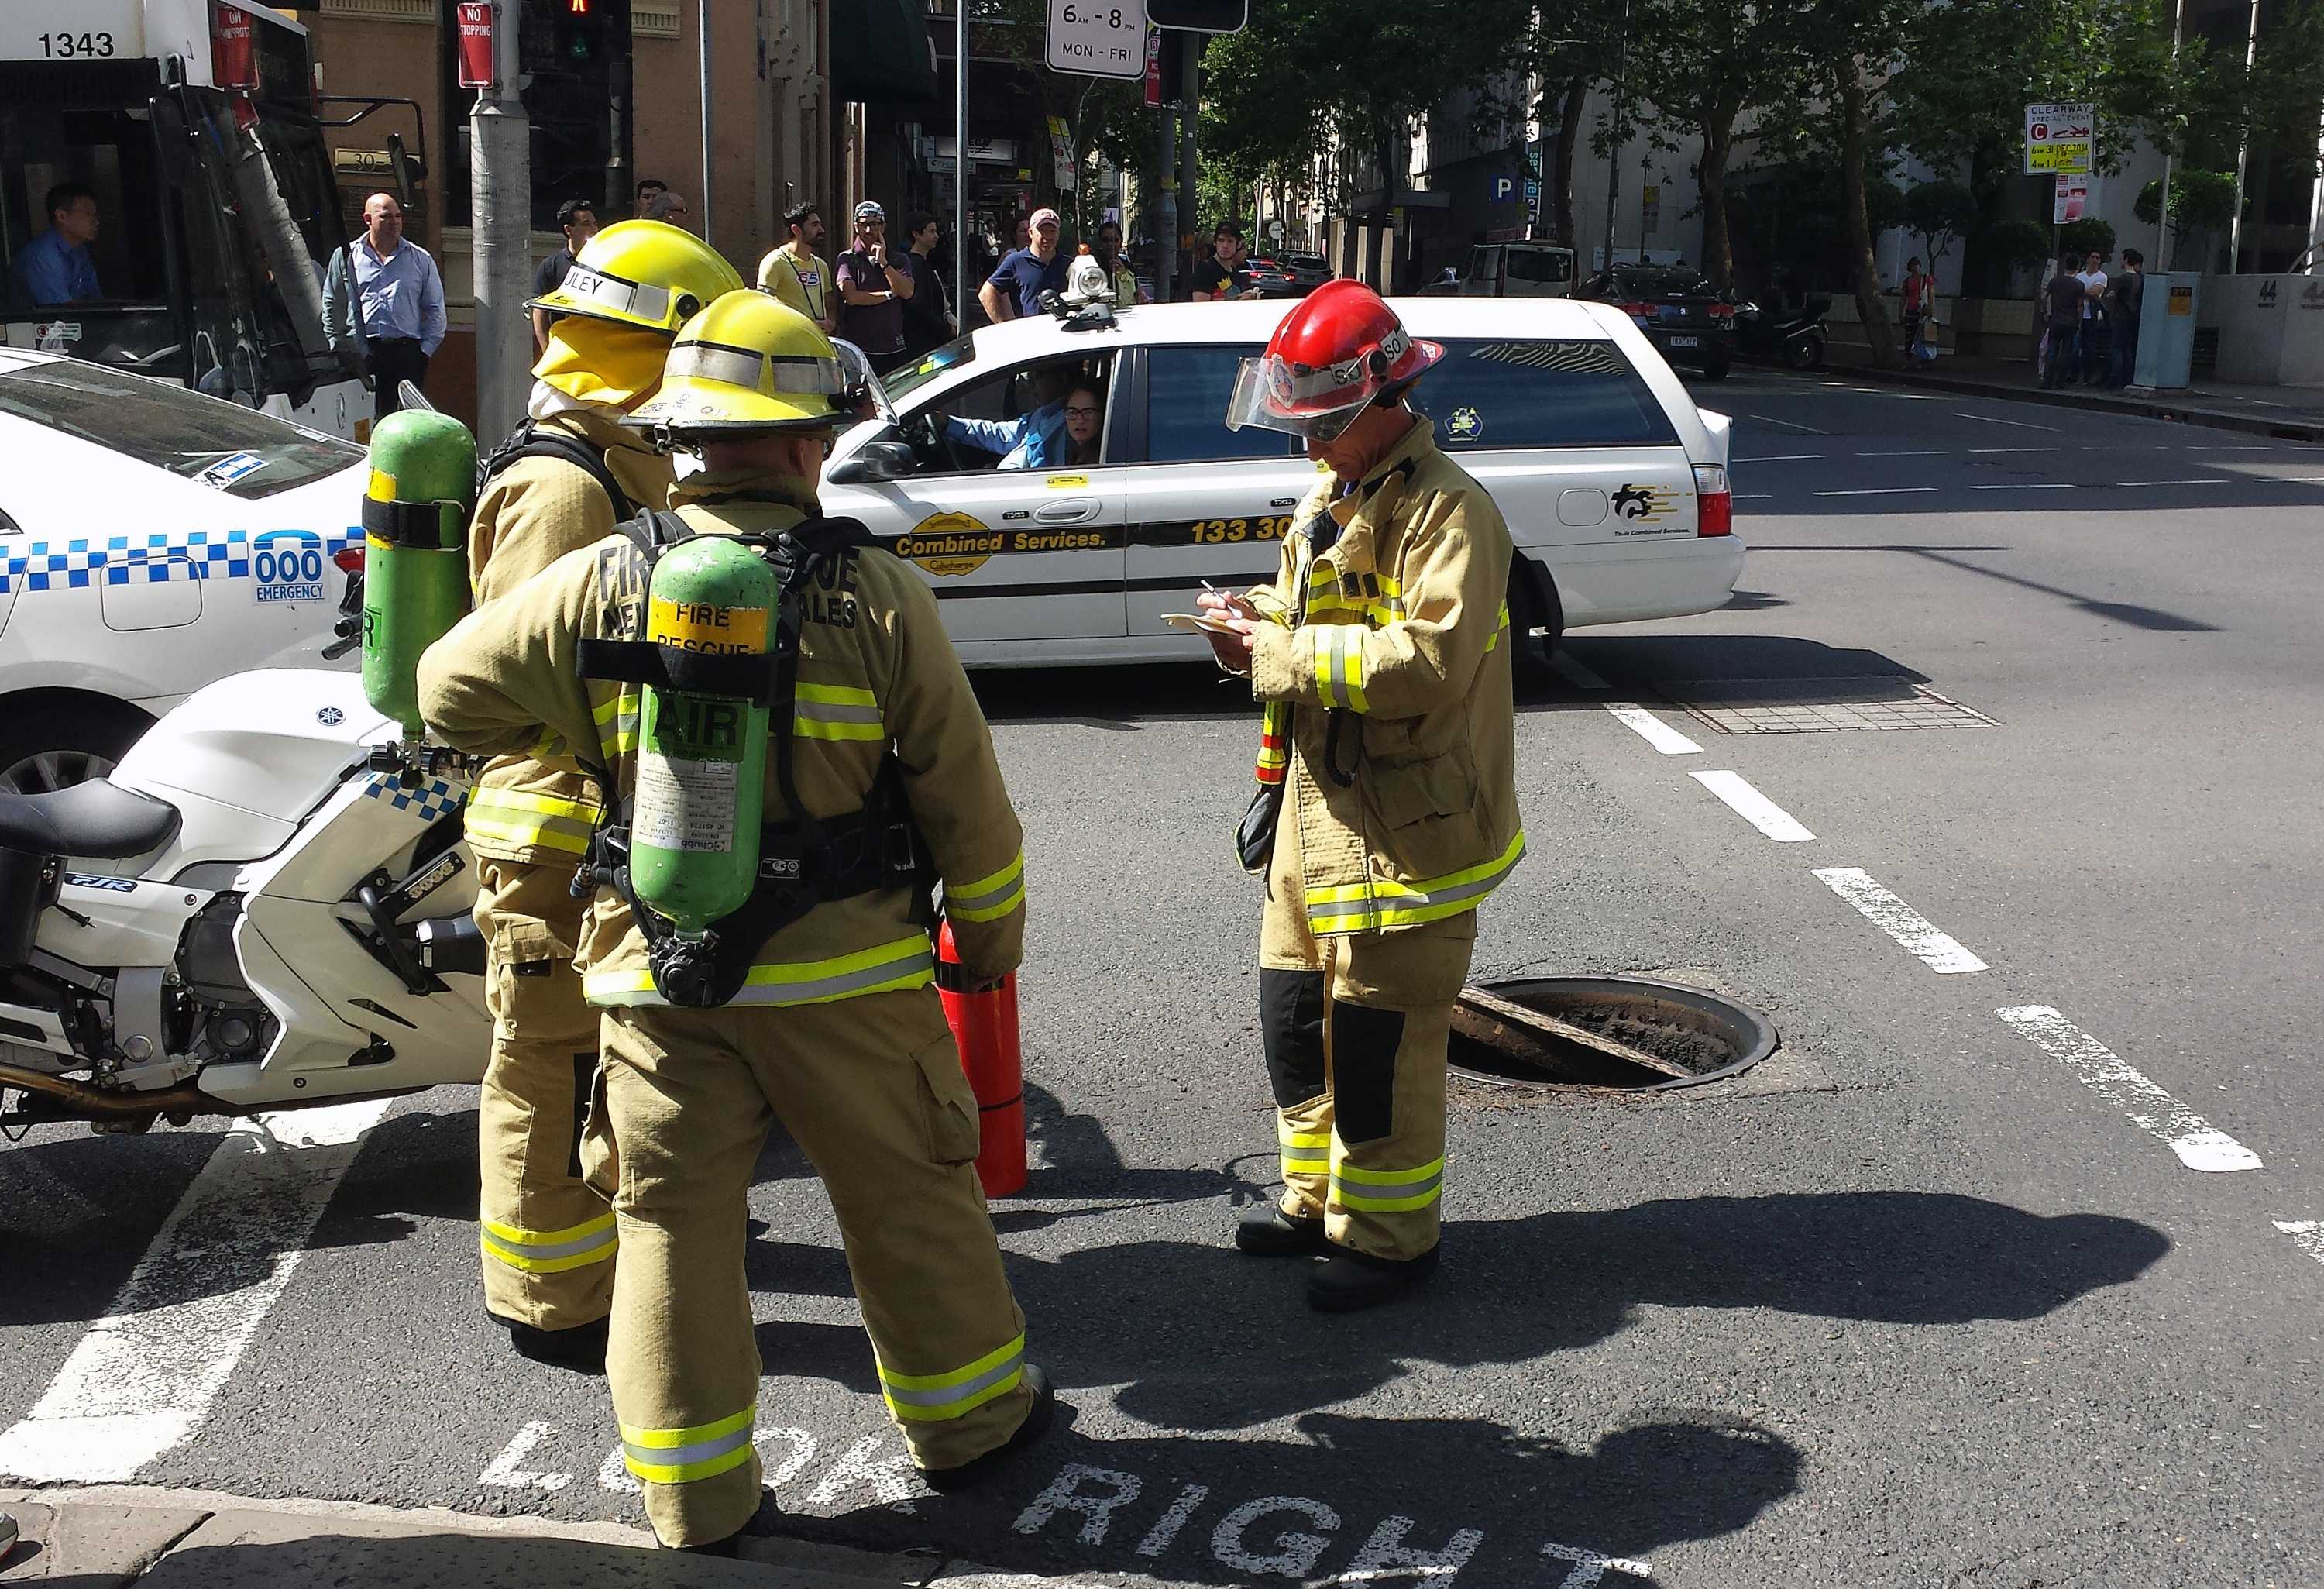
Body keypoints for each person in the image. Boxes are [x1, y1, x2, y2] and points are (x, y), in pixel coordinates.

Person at [417, 290, 1057, 1553]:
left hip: (658, 973)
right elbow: (967, 804)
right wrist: (987, 947)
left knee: (668, 1224)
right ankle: (971, 1427)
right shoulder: (877, 591)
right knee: (909, 1198)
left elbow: (446, 690)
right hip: (848, 979)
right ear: (811, 440)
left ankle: (694, 1496)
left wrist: (581, 725)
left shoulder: (608, 574)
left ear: (689, 438)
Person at [1195, 280, 1523, 1313]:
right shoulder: (1331, 492)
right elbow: (1311, 616)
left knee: (1382, 1048)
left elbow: (1425, 662)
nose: (1308, 444)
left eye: (1324, 424)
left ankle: (1388, 1239)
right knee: (1296, 1019)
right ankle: (1314, 1200)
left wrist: (1276, 651)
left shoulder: (1451, 510)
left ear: (1388, 398)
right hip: (1315, 814)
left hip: (1406, 829)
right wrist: (1248, 620)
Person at [458, 219, 746, 1376]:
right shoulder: (565, 487)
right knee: (549, 1059)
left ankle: (599, 1255)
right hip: (550, 824)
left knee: (597, 1056)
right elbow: (511, 671)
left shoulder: (606, 458)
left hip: (585, 819)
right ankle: (549, 1294)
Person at [321, 192, 447, 421]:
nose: (394, 222)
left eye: (398, 216)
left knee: (406, 422)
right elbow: (332, 303)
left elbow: (435, 310)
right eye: (386, 216)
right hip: (363, 352)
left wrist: (423, 353)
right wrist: (338, 344)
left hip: (407, 353)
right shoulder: (347, 256)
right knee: (365, 420)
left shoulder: (420, 258)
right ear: (368, 219)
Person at [941, 366, 1085, 469]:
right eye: (1030, 377)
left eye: (1038, 376)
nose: (1030, 384)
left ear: (1062, 379)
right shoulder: (1042, 415)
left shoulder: (1067, 425)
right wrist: (949, 424)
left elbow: (1044, 477)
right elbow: (1004, 435)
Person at [835, 200, 916, 376]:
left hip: (893, 346)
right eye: (863, 225)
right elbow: (852, 297)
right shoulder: (847, 259)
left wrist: (883, 262)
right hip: (858, 348)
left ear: (883, 226)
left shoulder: (899, 259)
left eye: (874, 224)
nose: (868, 230)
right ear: (856, 227)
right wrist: (889, 294)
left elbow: (907, 292)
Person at [12, 182, 102, 306]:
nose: (96, 222)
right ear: (62, 216)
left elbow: (96, 299)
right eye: (89, 214)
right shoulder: (42, 256)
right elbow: (62, 310)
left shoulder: (79, 250)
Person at [531, 199, 600, 354]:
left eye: (595, 224)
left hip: (599, 346)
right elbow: (539, 311)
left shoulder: (604, 262)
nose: (595, 230)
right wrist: (547, 350)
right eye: (586, 224)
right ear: (569, 229)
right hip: (565, 347)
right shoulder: (552, 265)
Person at [758, 203, 836, 335]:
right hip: (789, 339)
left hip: (818, 340)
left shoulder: (821, 265)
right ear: (796, 230)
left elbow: (829, 303)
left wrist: (831, 322)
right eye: (815, 225)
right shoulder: (776, 261)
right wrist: (805, 325)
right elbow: (763, 305)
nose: (821, 230)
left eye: (820, 224)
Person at [980, 208, 1066, 323]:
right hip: (1029, 331)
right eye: (1043, 231)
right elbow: (987, 293)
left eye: (1052, 231)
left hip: (1064, 331)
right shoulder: (1016, 261)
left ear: (1058, 234)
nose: (1048, 236)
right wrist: (1004, 326)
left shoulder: (1068, 264)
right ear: (1031, 233)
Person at [900, 211, 955, 359]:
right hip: (922, 343)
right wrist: (946, 329)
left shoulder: (923, 264)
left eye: (936, 231)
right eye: (931, 231)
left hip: (927, 339)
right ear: (916, 234)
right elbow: (919, 305)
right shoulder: (916, 265)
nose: (936, 236)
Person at [2040, 253, 2084, 390]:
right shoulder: (2079, 285)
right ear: (2077, 267)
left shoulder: (2055, 281)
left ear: (2065, 265)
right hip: (2070, 322)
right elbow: (2080, 306)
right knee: (2066, 352)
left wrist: (2045, 312)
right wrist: (2079, 322)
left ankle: (2047, 381)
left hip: (2056, 320)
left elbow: (2044, 297)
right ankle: (2060, 382)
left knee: (2052, 350)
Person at [2109, 249, 2145, 387]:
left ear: (2126, 260)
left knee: (2117, 348)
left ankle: (2116, 377)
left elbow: (2110, 296)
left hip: (2120, 317)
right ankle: (2127, 377)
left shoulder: (2123, 279)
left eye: (2122, 258)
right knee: (2127, 349)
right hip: (2132, 317)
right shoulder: (2139, 279)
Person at [2075, 249, 2109, 385]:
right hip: (2078, 316)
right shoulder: (2080, 276)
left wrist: (2080, 291)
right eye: (2093, 257)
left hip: (2091, 317)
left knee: (2089, 347)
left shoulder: (2102, 277)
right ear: (2088, 259)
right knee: (2075, 346)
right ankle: (2073, 374)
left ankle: (2088, 376)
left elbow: (2095, 292)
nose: (2095, 260)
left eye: (2097, 258)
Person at [1192, 222, 1250, 302]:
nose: (1225, 246)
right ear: (1215, 243)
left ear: (1238, 245)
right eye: (1221, 240)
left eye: (1230, 241)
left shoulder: (1235, 274)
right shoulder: (1205, 269)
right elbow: (1200, 305)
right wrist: (1239, 300)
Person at [1093, 220, 1143, 308]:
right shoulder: (1092, 264)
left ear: (1121, 242)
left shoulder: (1128, 266)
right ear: (1100, 242)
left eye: (1115, 240)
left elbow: (1137, 293)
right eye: (1106, 240)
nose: (1110, 244)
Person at [1900, 256, 1930, 360]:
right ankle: (1908, 357)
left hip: (1922, 310)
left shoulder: (1926, 279)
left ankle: (1920, 359)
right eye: (1913, 265)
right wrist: (1901, 312)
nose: (1915, 267)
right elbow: (1904, 297)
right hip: (1910, 310)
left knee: (1920, 335)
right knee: (1909, 336)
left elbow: (1931, 294)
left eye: (1917, 265)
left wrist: (1930, 309)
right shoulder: (1907, 281)